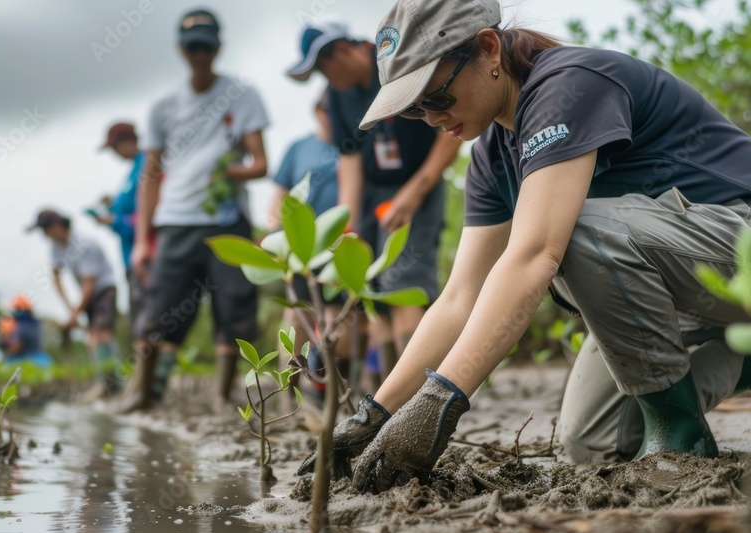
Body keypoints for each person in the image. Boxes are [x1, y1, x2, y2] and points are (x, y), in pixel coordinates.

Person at [299, 0, 751, 494]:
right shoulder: (493, 155)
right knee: (592, 441)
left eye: (434, 96)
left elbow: (536, 256)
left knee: (573, 231)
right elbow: (458, 299)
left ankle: (679, 437)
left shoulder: (568, 85)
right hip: (688, 290)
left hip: (737, 254)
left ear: (488, 49)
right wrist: (377, 414)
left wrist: (440, 403)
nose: (429, 118)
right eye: (411, 109)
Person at [287, 16, 462, 380]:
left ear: (340, 52)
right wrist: (347, 225)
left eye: (323, 68)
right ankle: (375, 400)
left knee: (402, 284)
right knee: (362, 287)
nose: (324, 78)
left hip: (419, 182)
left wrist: (414, 193)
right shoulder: (338, 95)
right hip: (372, 193)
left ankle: (416, 399)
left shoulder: (396, 63)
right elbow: (349, 161)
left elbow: (450, 127)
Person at [125, 8, 269, 412]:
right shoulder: (162, 106)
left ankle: (223, 399)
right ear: (181, 50)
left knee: (235, 310)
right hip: (175, 223)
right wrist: (142, 241)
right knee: (157, 313)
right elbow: (149, 176)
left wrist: (228, 171)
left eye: (206, 46)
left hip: (228, 223)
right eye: (192, 47)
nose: (199, 54)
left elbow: (261, 163)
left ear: (217, 48)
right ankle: (140, 395)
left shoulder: (243, 95)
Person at [268, 92, 356, 404]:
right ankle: (287, 395)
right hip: (300, 244)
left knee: (338, 320)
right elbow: (278, 195)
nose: (331, 115)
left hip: (338, 243)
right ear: (316, 111)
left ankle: (326, 392)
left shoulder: (352, 144)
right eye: (326, 109)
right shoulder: (298, 148)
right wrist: (273, 234)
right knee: (297, 317)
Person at [27, 209, 122, 395]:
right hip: (88, 294)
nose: (44, 235)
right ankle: (106, 385)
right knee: (92, 339)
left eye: (45, 229)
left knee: (101, 335)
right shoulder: (56, 247)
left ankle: (114, 385)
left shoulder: (84, 243)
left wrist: (75, 313)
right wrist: (70, 308)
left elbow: (90, 284)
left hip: (104, 289)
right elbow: (55, 275)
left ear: (56, 225)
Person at [93, 122, 148, 332]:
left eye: (114, 148)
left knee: (145, 323)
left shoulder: (146, 164)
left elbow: (145, 217)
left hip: (144, 257)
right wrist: (112, 205)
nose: (114, 155)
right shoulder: (133, 169)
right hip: (130, 259)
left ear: (125, 142)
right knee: (138, 320)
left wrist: (114, 221)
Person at [0, 294, 53, 366]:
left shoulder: (21, 327)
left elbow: (16, 347)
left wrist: (5, 344)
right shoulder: (36, 324)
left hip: (27, 361)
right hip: (43, 360)